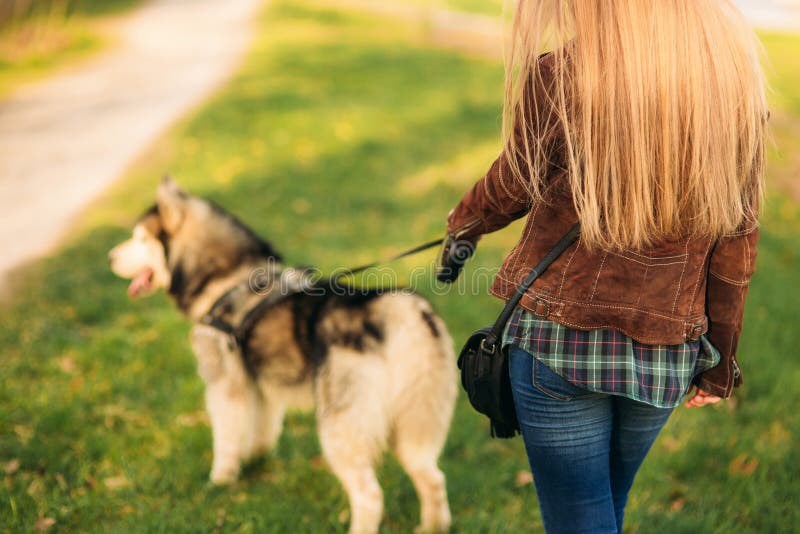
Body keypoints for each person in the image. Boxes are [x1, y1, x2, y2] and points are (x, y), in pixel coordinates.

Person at [436, 1, 768, 532]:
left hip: (557, 342)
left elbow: (514, 180)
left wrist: (463, 223)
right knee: (604, 508)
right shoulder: (731, 88)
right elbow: (735, 250)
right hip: (665, 352)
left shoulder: (561, 75)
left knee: (583, 516)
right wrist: (720, 361)